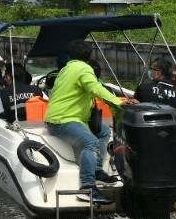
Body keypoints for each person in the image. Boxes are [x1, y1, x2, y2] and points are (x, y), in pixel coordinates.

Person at [45, 40, 137, 203]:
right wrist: (119, 102)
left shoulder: (66, 69)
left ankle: (97, 171)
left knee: (103, 131)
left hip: (63, 117)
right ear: (88, 56)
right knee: (91, 142)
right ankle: (87, 188)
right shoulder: (84, 68)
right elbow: (96, 88)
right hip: (62, 120)